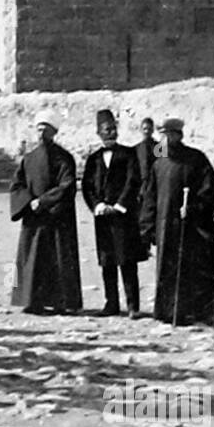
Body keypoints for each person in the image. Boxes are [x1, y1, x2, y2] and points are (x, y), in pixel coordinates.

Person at [139, 118, 214, 325]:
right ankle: (167, 311)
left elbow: (211, 189)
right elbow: (149, 196)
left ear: (179, 135)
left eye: (171, 135)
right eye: (163, 135)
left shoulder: (196, 158)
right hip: (165, 225)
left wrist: (193, 208)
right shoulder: (159, 162)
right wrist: (147, 227)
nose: (166, 139)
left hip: (191, 226)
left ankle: (193, 311)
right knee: (167, 269)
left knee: (191, 269)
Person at [10, 110, 82, 315]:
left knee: (58, 258)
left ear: (54, 132)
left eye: (46, 130)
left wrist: (42, 202)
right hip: (34, 219)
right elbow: (17, 184)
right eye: (39, 129)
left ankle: (62, 302)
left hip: (56, 217)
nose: (41, 134)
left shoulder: (64, 158)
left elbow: (67, 186)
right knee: (32, 258)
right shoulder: (28, 158)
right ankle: (31, 301)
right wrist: (28, 203)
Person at [81, 109, 143, 317]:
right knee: (107, 261)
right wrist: (97, 205)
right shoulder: (94, 159)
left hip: (123, 216)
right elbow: (87, 186)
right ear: (99, 132)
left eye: (114, 129)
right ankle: (111, 304)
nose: (111, 133)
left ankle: (133, 306)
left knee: (127, 260)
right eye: (107, 130)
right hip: (103, 217)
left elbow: (133, 181)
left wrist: (120, 205)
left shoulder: (129, 154)